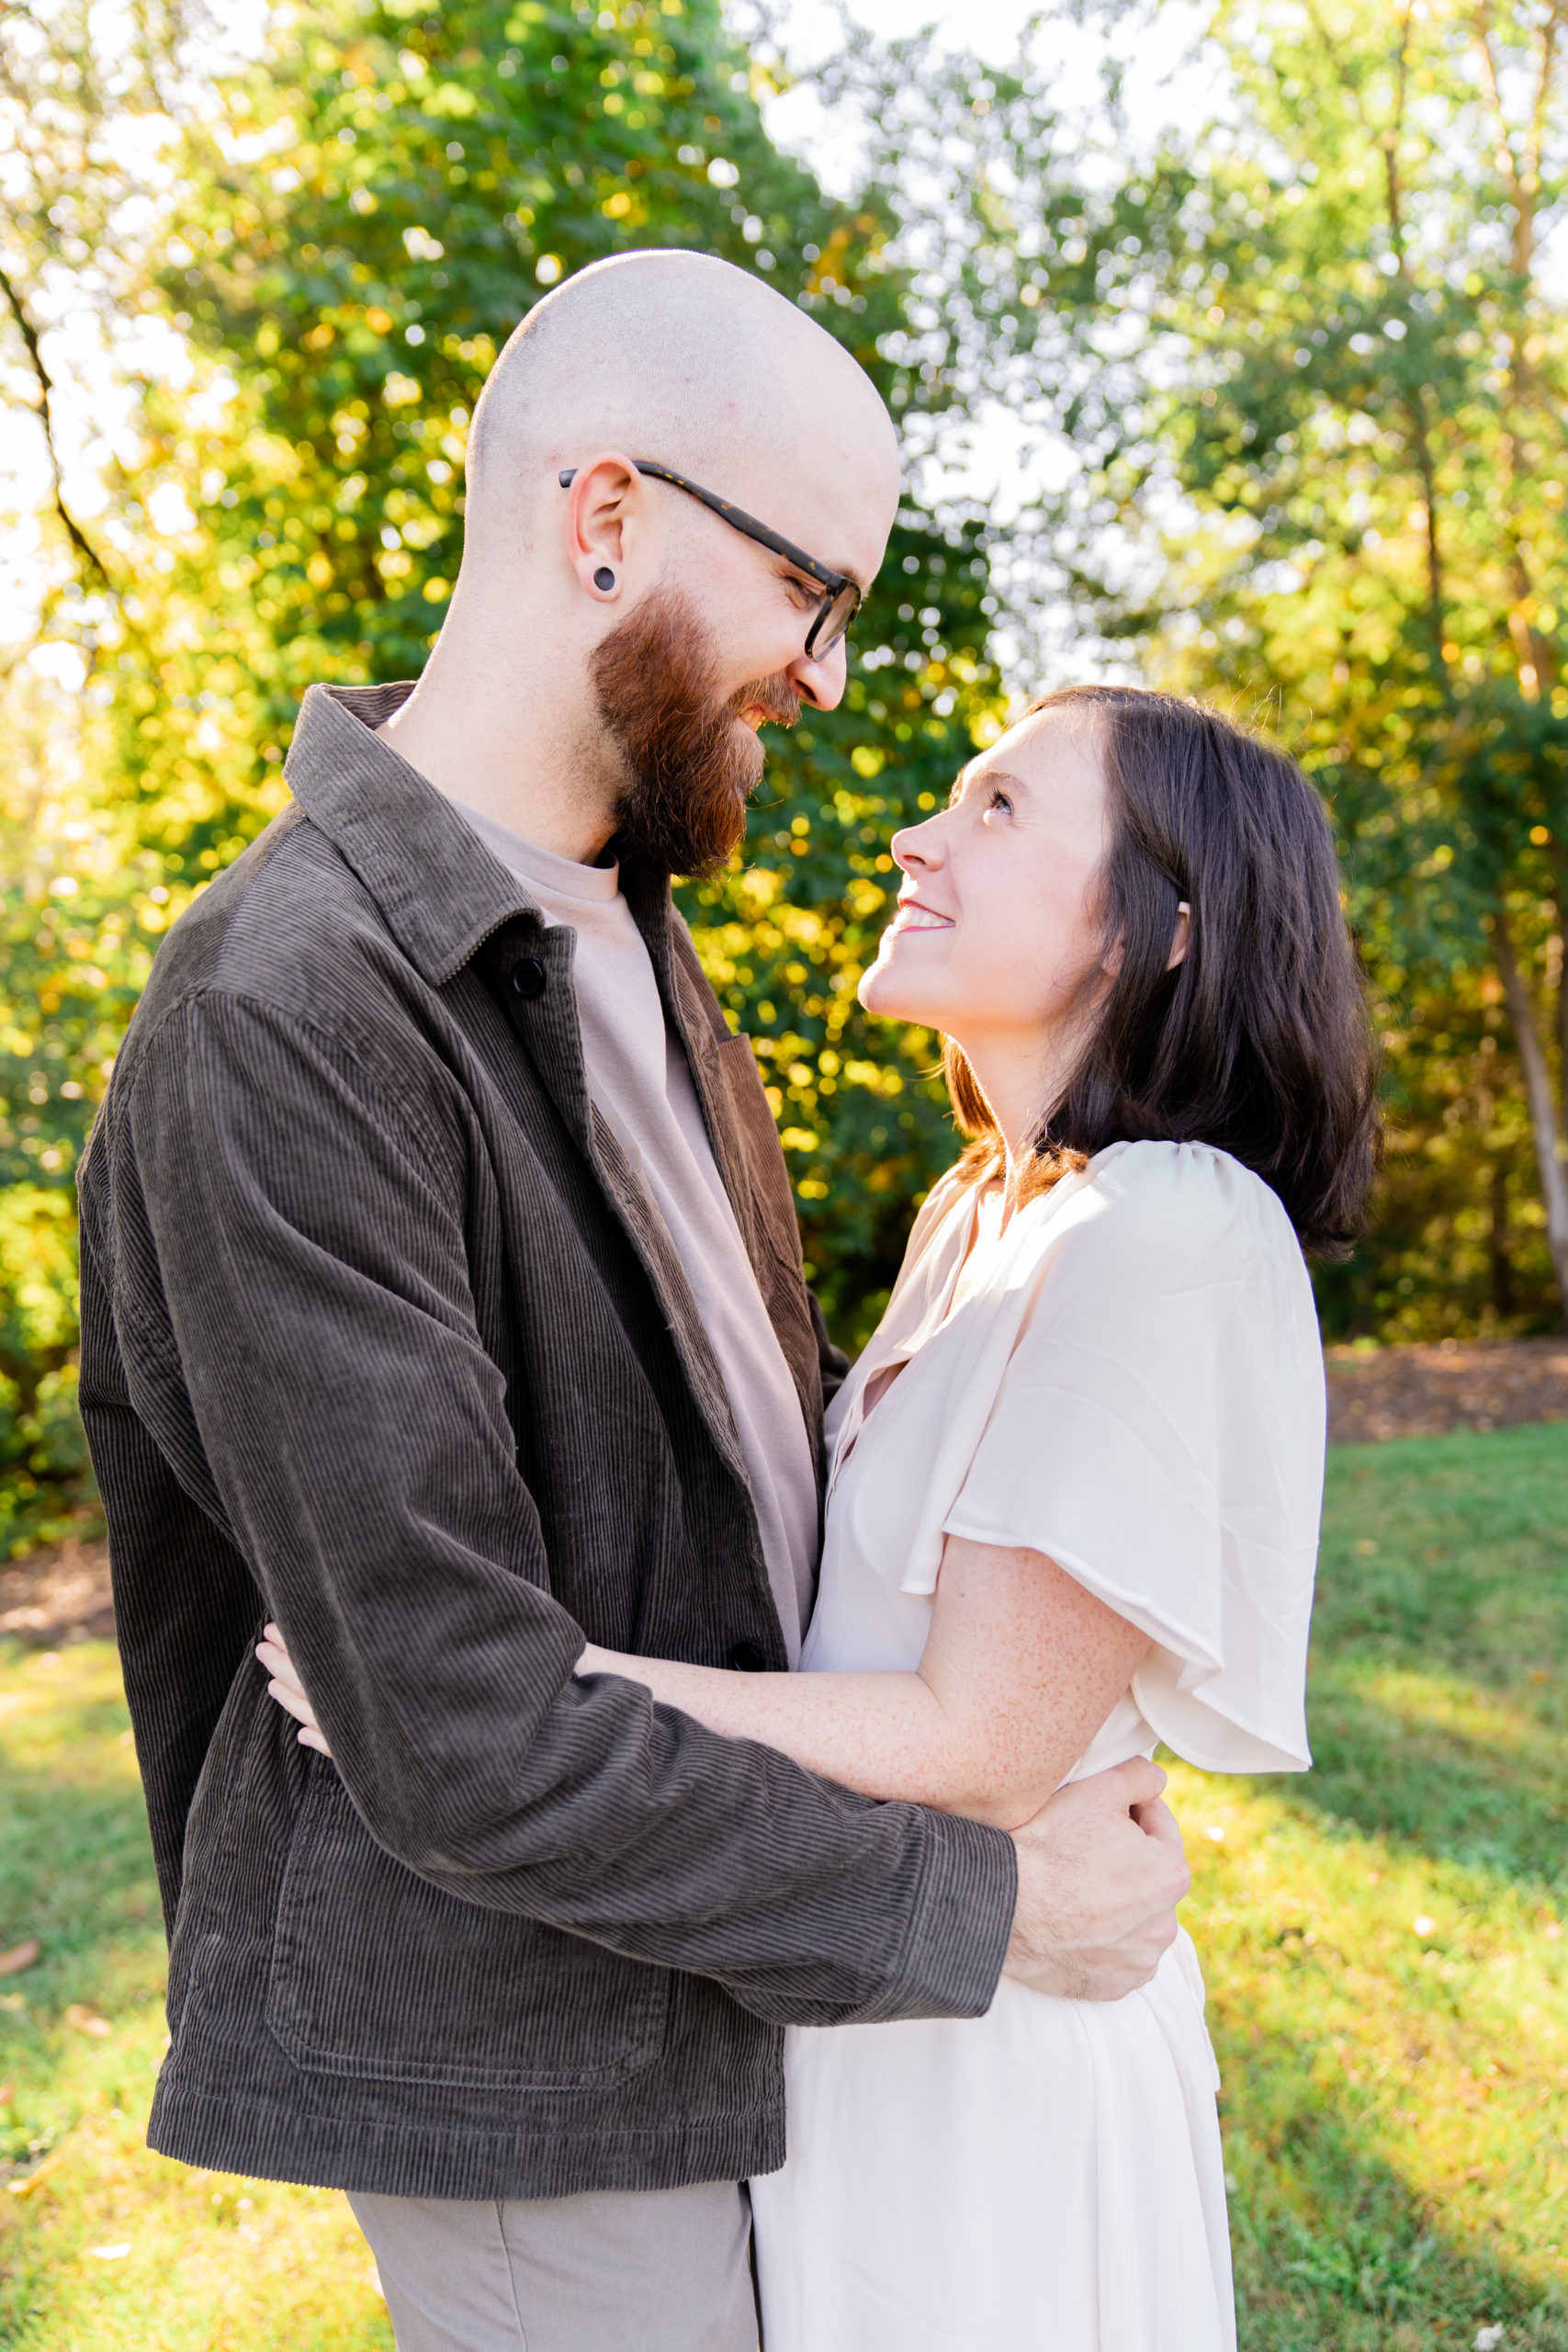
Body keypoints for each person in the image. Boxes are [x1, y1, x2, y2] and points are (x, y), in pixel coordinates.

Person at [77, 249, 1190, 2352]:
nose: (829, 676)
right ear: (603, 520)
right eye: (812, 595)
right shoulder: (285, 1013)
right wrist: (985, 1896)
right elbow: (463, 1731)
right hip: (529, 2074)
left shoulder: (632, 940)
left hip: (723, 1998)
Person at [270, 684, 1376, 2346]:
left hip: (997, 2058)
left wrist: (508, 1696)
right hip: (878, 2005)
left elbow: (985, 1738)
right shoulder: (988, 1210)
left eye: (999, 808)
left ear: (1159, 932)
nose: (915, 837)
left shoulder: (1166, 1229)